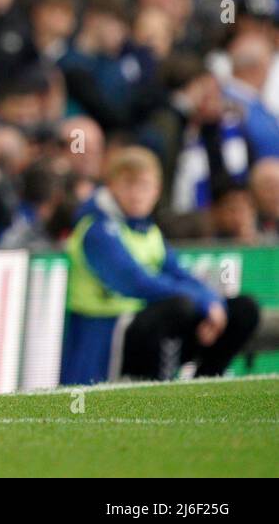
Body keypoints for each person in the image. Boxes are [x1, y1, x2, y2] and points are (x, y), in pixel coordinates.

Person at [61, 146, 261, 385]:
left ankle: (203, 390)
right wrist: (202, 301)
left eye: (144, 186)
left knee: (243, 309)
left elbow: (178, 273)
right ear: (111, 187)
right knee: (179, 307)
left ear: (156, 191)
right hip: (107, 333)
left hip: (144, 329)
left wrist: (211, 300)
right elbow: (135, 283)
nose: (137, 194)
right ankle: (161, 390)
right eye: (128, 185)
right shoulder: (97, 229)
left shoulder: (149, 230)